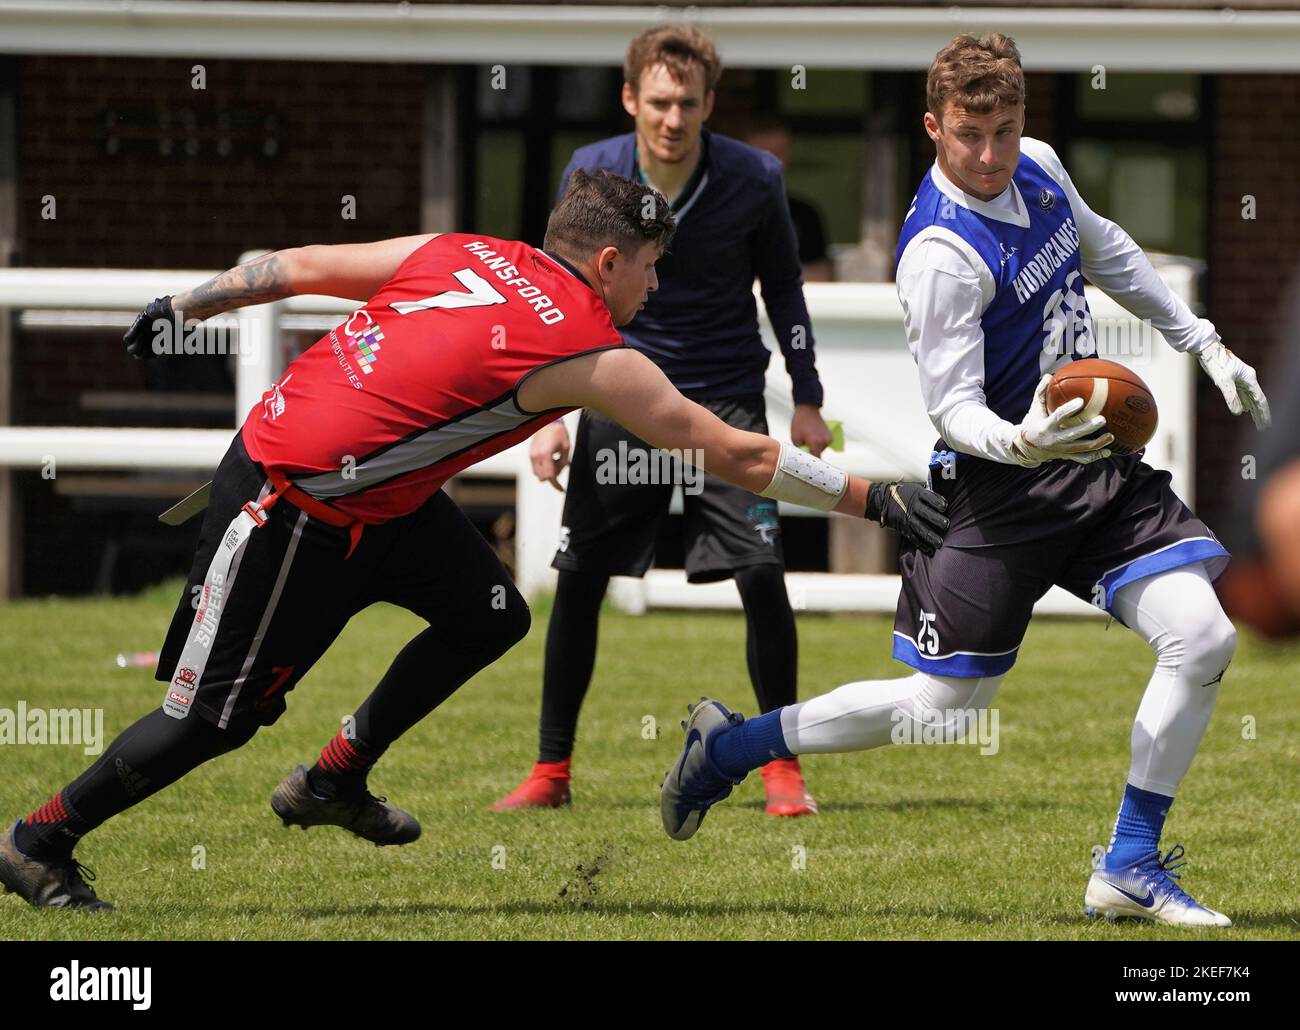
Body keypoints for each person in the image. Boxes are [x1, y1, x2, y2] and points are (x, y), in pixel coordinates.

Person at [0, 170, 948, 910]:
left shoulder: (467, 248)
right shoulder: (593, 352)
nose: (656, 286)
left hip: (380, 500)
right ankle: (36, 842)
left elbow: (296, 264)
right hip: (290, 502)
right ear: (607, 261)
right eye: (652, 267)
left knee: (489, 613)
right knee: (211, 720)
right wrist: (878, 501)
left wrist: (190, 303)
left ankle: (334, 779)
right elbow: (737, 453)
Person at [659, 34, 1271, 929]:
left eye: (1005, 131)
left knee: (1204, 637)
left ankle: (1130, 865)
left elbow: (1104, 248)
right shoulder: (939, 255)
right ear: (933, 128)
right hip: (1000, 490)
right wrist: (1023, 440)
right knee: (941, 707)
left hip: (1095, 466)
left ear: (1024, 120)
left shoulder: (1042, 166)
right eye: (969, 135)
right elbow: (953, 410)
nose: (990, 155)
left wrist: (1202, 341)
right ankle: (730, 747)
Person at [495, 25, 835, 818]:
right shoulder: (593, 174)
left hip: (725, 399)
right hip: (623, 391)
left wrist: (808, 397)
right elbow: (554, 295)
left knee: (762, 573)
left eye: (687, 102)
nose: (672, 118)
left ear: (709, 105)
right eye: (658, 102)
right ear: (630, 100)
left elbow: (786, 291)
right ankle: (550, 772)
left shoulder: (755, 177)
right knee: (579, 579)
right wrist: (544, 415)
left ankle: (782, 770)